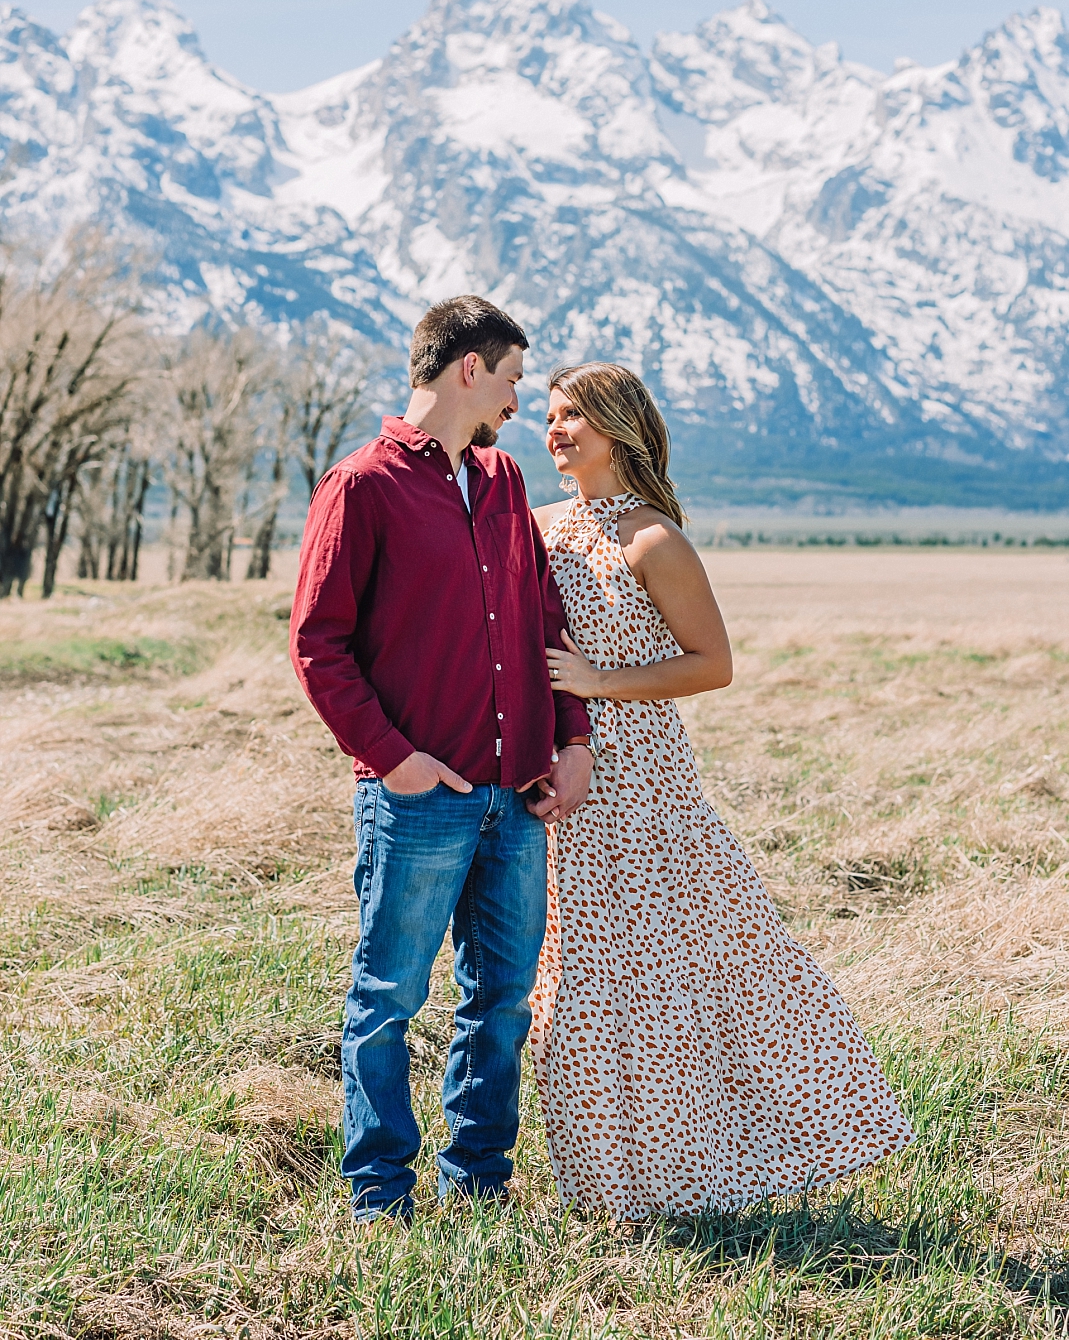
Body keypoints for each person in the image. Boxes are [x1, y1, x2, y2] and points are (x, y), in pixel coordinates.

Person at [528, 361, 913, 1220]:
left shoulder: (652, 539)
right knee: (577, 982)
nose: (554, 431)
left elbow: (714, 664)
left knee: (667, 979)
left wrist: (598, 681)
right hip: (556, 781)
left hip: (645, 786)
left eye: (573, 417)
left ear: (618, 426)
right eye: (548, 416)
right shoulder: (537, 524)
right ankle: (606, 1190)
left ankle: (694, 1178)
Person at [290, 297, 593, 1223]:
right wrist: (394, 759)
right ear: (469, 369)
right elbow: (319, 643)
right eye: (508, 379)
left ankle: (481, 1184)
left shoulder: (502, 483)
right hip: (419, 800)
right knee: (387, 997)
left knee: (501, 1005)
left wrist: (571, 739)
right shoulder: (360, 485)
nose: (516, 404)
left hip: (517, 795)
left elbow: (544, 622)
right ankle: (381, 1194)